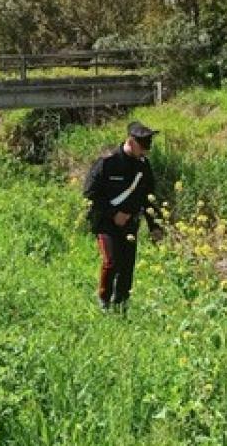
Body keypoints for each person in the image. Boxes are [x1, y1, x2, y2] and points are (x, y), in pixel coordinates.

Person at [82, 121, 164, 312]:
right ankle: (104, 300)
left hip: (130, 224)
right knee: (111, 262)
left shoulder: (143, 167)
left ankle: (121, 305)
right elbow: (90, 194)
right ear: (131, 141)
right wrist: (113, 213)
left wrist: (155, 227)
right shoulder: (106, 163)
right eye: (143, 146)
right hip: (106, 223)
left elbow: (149, 197)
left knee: (127, 267)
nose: (145, 151)